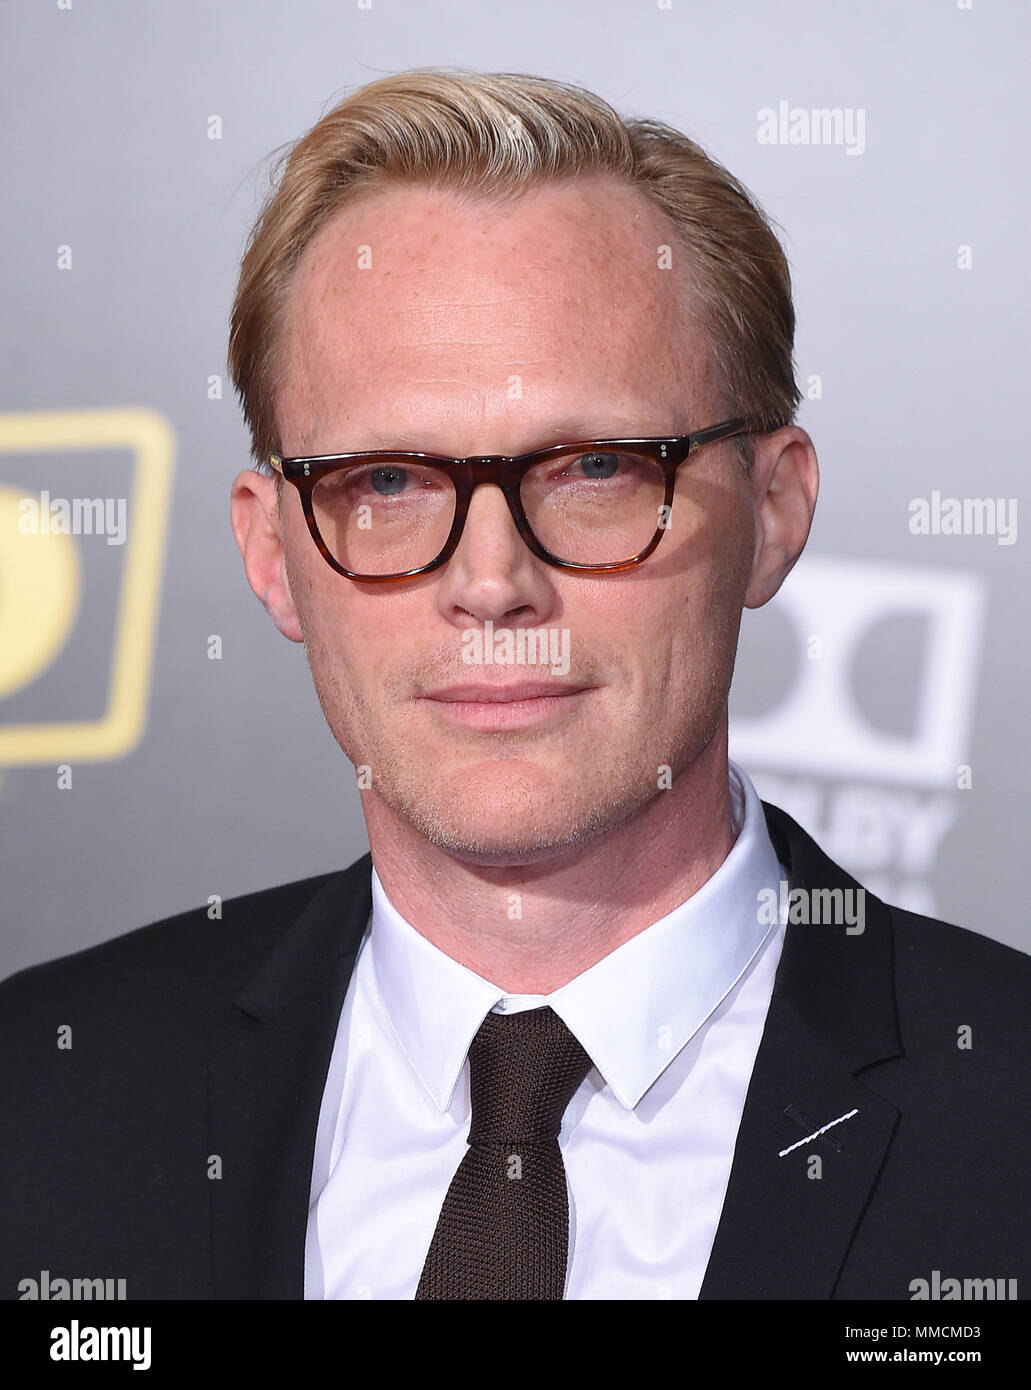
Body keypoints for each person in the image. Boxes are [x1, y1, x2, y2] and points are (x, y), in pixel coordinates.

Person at [2, 67, 1029, 1303]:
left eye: (592, 466)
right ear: (271, 554)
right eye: (384, 482)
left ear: (772, 509)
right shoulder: (40, 1101)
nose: (490, 581)